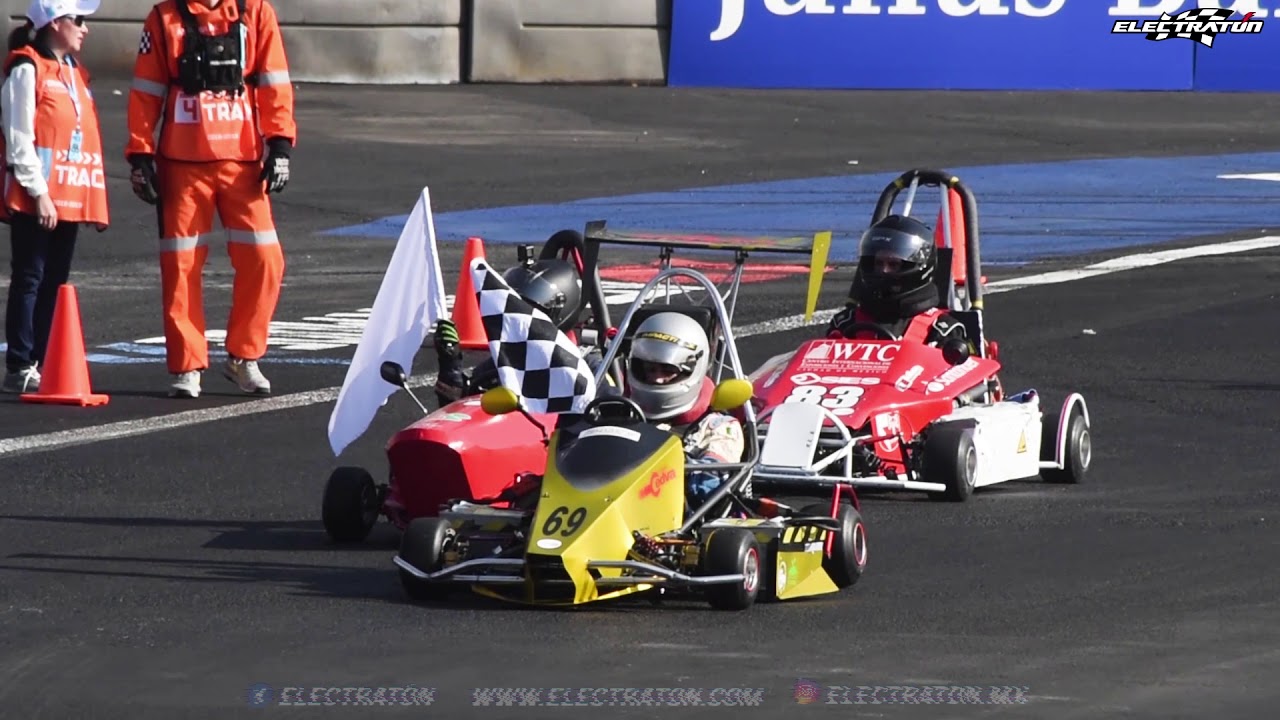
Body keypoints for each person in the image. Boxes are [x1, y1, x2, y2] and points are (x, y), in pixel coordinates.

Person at [125, 0, 296, 399]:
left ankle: (244, 356)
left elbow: (275, 81)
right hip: (182, 166)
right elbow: (146, 91)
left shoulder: (255, 12)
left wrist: (281, 145)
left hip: (243, 163)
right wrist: (140, 154)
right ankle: (188, 366)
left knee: (265, 259)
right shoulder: (164, 17)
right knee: (181, 265)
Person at [1, 0, 108, 394]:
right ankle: (21, 363)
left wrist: (90, 198)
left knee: (56, 279)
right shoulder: (27, 69)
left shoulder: (74, 72)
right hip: (40, 194)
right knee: (30, 276)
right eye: (78, 20)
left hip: (69, 194)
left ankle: (44, 359)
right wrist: (38, 192)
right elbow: (18, 139)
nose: (85, 28)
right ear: (54, 23)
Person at [432, 255, 605, 407]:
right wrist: (450, 364)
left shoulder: (589, 368)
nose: (518, 317)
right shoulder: (501, 364)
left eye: (527, 310)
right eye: (514, 307)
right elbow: (460, 415)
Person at [624, 312, 745, 511]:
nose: (657, 379)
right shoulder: (623, 413)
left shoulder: (718, 426)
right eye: (650, 370)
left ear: (691, 370)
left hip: (680, 518)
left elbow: (708, 485)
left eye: (667, 371)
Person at [825, 214, 970, 351]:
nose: (884, 271)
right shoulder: (845, 323)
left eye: (893, 264)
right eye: (878, 263)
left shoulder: (943, 331)